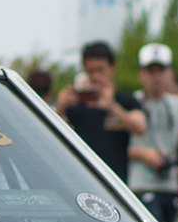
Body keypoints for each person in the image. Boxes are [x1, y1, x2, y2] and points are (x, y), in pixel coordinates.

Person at [123, 43, 178, 222]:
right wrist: (143, 154)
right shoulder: (130, 103)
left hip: (170, 187)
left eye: (161, 70)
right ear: (141, 73)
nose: (156, 76)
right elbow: (114, 146)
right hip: (140, 186)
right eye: (150, 71)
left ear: (170, 73)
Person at [55, 40, 147, 180]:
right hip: (82, 176)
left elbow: (140, 127)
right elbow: (55, 133)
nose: (95, 77)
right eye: (90, 71)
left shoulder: (125, 101)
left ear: (113, 67)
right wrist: (60, 108)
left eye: (100, 70)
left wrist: (112, 107)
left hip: (116, 181)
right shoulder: (77, 104)